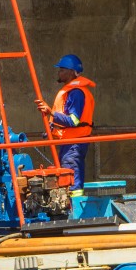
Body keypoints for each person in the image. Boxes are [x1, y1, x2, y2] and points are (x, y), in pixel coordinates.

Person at [35, 53, 95, 194]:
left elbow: (73, 121)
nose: (59, 72)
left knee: (72, 181)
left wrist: (51, 113)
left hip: (74, 143)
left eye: (62, 70)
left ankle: (75, 205)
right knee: (68, 178)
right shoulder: (71, 91)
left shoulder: (76, 93)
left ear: (72, 72)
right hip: (70, 142)